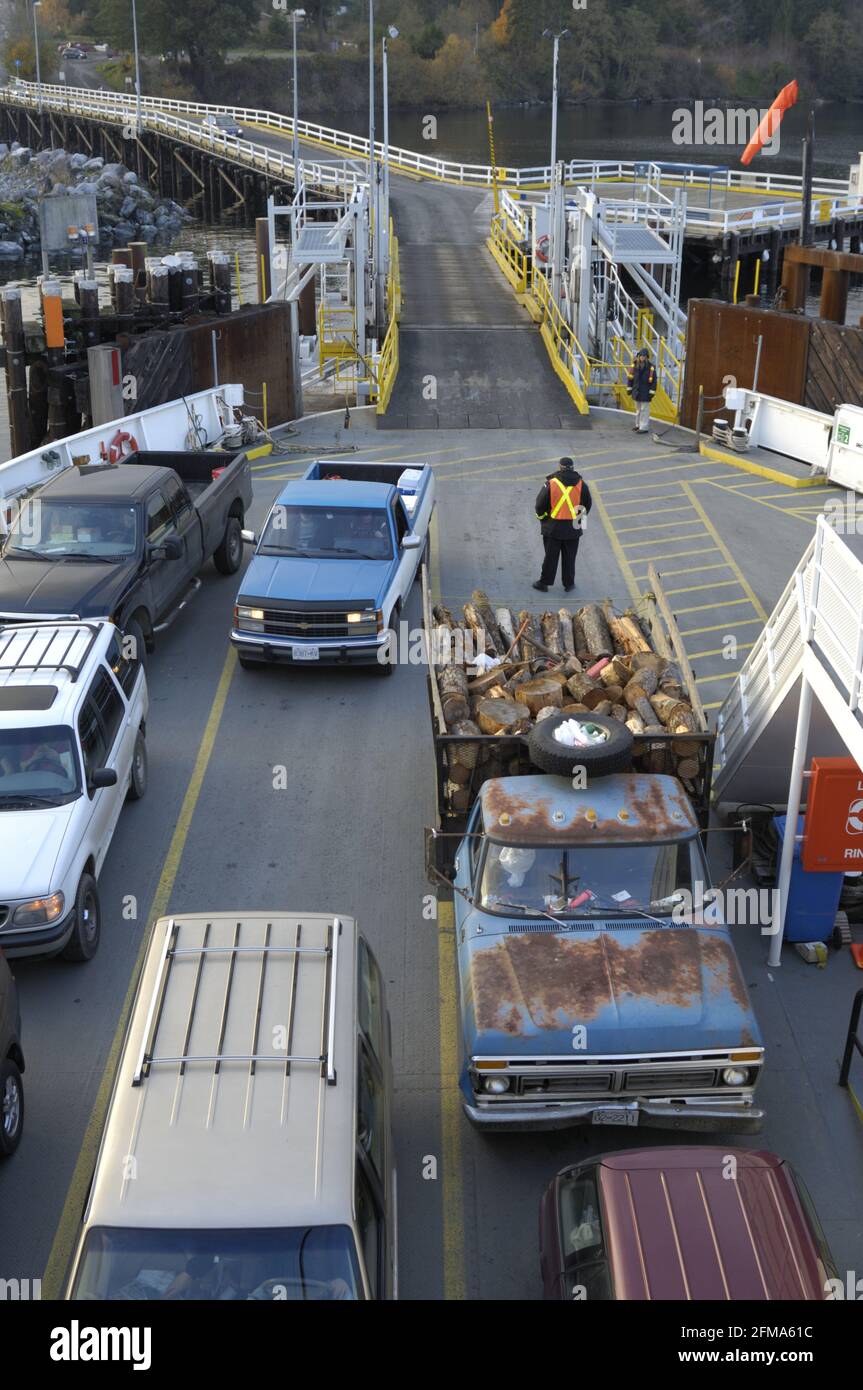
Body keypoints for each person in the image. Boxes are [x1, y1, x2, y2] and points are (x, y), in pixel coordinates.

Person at [533, 457, 592, 593]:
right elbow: (587, 505)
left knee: (550, 557)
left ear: (560, 467)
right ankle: (569, 584)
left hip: (553, 527)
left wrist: (543, 520)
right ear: (572, 467)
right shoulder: (582, 484)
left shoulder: (551, 483)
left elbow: (539, 504)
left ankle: (544, 583)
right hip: (573, 528)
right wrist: (578, 523)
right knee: (570, 557)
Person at [627, 348, 657, 433]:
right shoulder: (634, 366)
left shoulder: (651, 367)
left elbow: (654, 381)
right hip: (636, 392)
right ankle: (638, 425)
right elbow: (630, 378)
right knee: (638, 410)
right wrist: (629, 389)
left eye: (644, 356)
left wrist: (652, 392)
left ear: (647, 357)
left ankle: (643, 427)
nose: (642, 357)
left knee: (645, 410)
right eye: (641, 356)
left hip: (645, 392)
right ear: (638, 356)